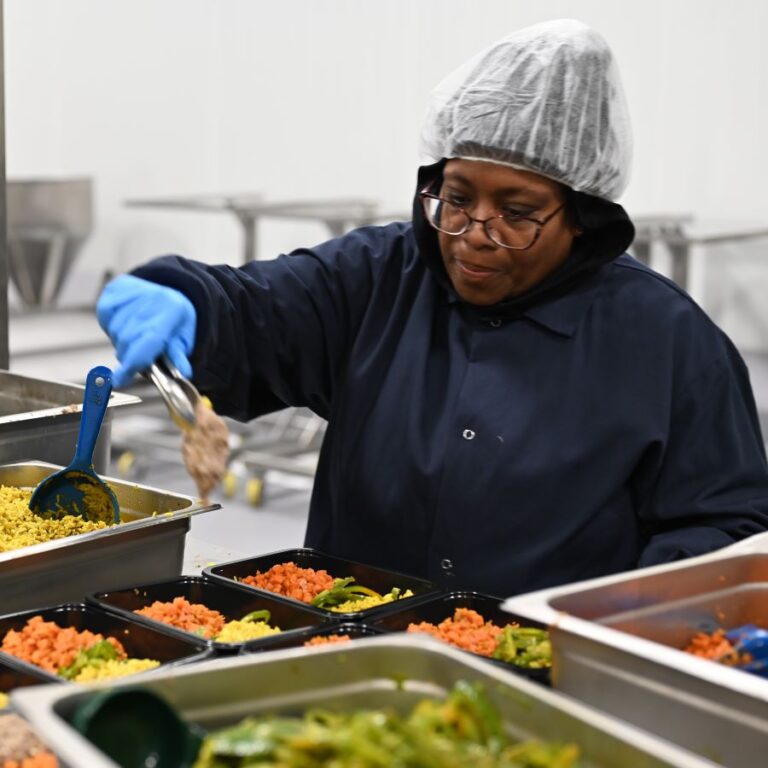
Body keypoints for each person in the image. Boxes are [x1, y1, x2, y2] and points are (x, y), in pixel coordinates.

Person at [97, 19, 768, 597]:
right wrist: (184, 299)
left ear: (583, 216)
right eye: (456, 197)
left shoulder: (669, 343)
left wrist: (616, 619)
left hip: (543, 683)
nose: (476, 231)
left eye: (518, 212)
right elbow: (256, 310)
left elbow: (723, 524)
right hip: (350, 648)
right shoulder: (380, 278)